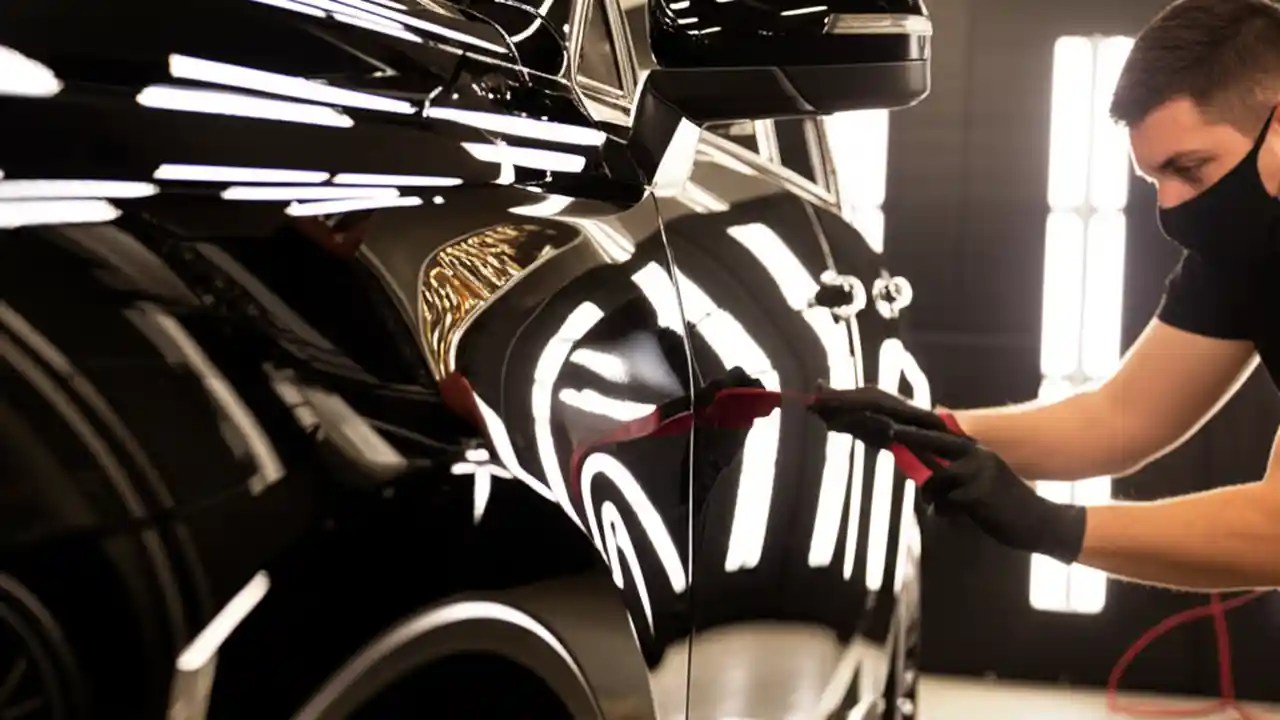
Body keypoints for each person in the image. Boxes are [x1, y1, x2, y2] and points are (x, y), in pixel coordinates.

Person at [811, 0, 1280, 592]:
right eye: (1155, 178)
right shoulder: (1243, 250)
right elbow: (1119, 420)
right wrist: (928, 430)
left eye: (1190, 168)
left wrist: (1047, 524)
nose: (1171, 207)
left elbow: (1275, 530)